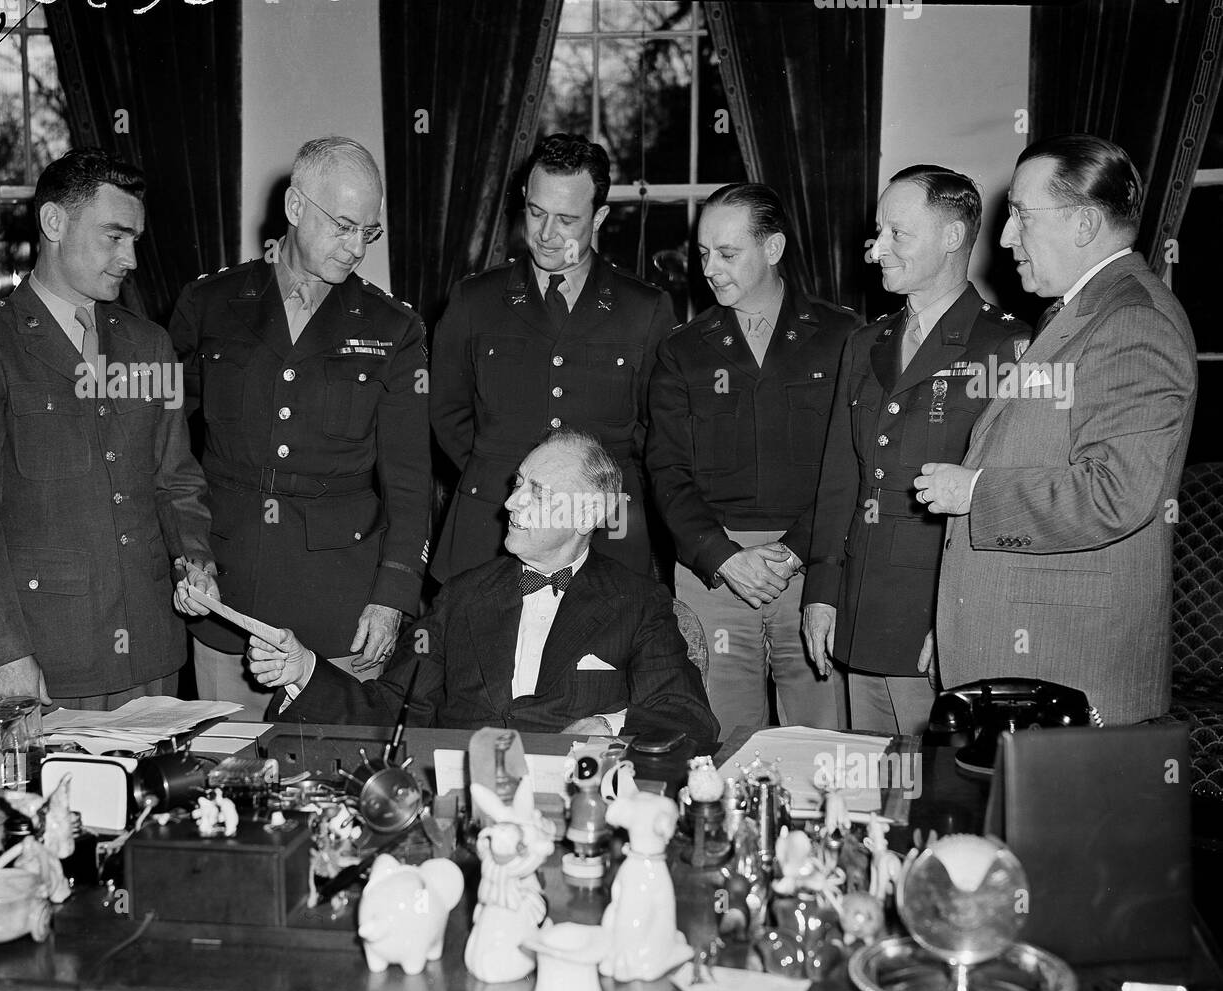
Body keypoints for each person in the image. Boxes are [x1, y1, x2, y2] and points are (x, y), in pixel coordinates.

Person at [917, 134, 1197, 726]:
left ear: (1085, 223)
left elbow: (1114, 492)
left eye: (1020, 214)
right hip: (1024, 653)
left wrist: (975, 492)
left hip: (1070, 668)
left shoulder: (1132, 323)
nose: (1004, 236)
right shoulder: (1078, 311)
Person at [0, 148, 216, 710]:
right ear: (54, 222)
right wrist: (1, 653)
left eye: (135, 239)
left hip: (152, 654)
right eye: (114, 236)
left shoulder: (149, 345)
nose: (130, 258)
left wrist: (194, 559)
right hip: (42, 661)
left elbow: (176, 481)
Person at [169, 137, 432, 719]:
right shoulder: (210, 305)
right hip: (227, 602)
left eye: (370, 231)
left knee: (329, 782)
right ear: (294, 207)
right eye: (343, 225)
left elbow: (411, 484)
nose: (357, 246)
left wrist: (391, 598)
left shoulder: (394, 329)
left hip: (339, 611)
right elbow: (166, 454)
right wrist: (186, 552)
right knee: (224, 786)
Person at [249, 429, 719, 743]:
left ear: (590, 515)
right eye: (518, 483)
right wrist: (305, 670)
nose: (512, 502)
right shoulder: (460, 596)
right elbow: (393, 708)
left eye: (538, 492)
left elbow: (686, 715)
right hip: (460, 801)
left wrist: (608, 725)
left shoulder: (637, 602)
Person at [802, 166, 1030, 737]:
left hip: (937, 615)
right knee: (868, 791)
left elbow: (1007, 500)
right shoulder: (865, 341)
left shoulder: (1006, 345)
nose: (877, 249)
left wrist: (959, 617)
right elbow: (840, 478)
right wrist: (823, 592)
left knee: (931, 796)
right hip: (860, 606)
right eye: (879, 232)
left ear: (952, 237)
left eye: (896, 234)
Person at [646, 183, 858, 740]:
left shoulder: (843, 337)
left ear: (773, 248)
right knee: (718, 745)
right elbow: (667, 472)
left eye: (727, 253)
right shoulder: (682, 349)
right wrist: (725, 558)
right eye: (703, 254)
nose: (709, 269)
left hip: (816, 569)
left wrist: (792, 552)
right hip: (713, 575)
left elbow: (854, 464)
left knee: (825, 746)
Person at [429, 133, 675, 583]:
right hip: (490, 530)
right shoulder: (474, 300)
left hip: (605, 532)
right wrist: (506, 479)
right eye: (536, 212)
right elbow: (447, 412)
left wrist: (585, 493)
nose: (545, 235)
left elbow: (654, 432)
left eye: (566, 219)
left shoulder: (644, 309)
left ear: (599, 216)